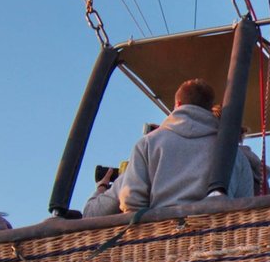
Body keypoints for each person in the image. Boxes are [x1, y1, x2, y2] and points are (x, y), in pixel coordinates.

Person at [106, 79, 255, 213]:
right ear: (209, 108)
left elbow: (131, 201)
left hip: (157, 237)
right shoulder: (235, 155)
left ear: (177, 104)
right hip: (216, 239)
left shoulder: (147, 144)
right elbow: (245, 205)